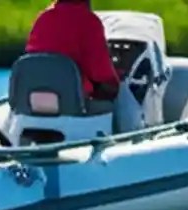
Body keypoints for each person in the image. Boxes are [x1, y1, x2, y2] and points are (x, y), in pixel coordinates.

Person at [25, 0, 144, 131]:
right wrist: (118, 77)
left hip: (33, 105)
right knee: (121, 90)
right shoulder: (89, 22)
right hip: (75, 108)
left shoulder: (42, 19)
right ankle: (131, 139)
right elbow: (106, 81)